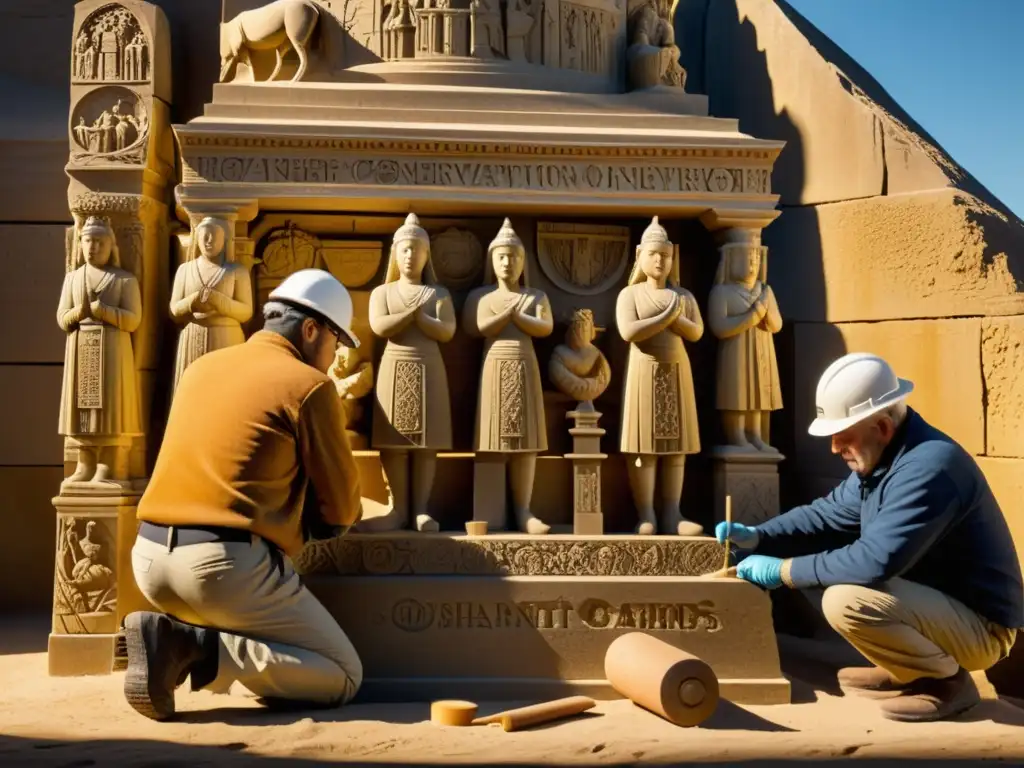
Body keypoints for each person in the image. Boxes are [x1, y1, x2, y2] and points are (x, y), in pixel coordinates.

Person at [718, 352, 1023, 722]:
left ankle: (946, 681)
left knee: (843, 597)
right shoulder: (885, 458)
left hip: (983, 630)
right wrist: (760, 537)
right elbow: (826, 515)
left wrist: (781, 570)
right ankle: (908, 666)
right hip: (942, 607)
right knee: (818, 573)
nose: (833, 448)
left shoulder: (929, 468)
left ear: (881, 427)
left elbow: (876, 561)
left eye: (842, 436)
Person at [123, 269, 365, 721]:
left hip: (149, 558)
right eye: (336, 341)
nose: (335, 357)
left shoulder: (201, 367)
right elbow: (340, 512)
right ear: (311, 330)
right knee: (342, 674)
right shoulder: (309, 386)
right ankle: (189, 646)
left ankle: (178, 638)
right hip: (222, 570)